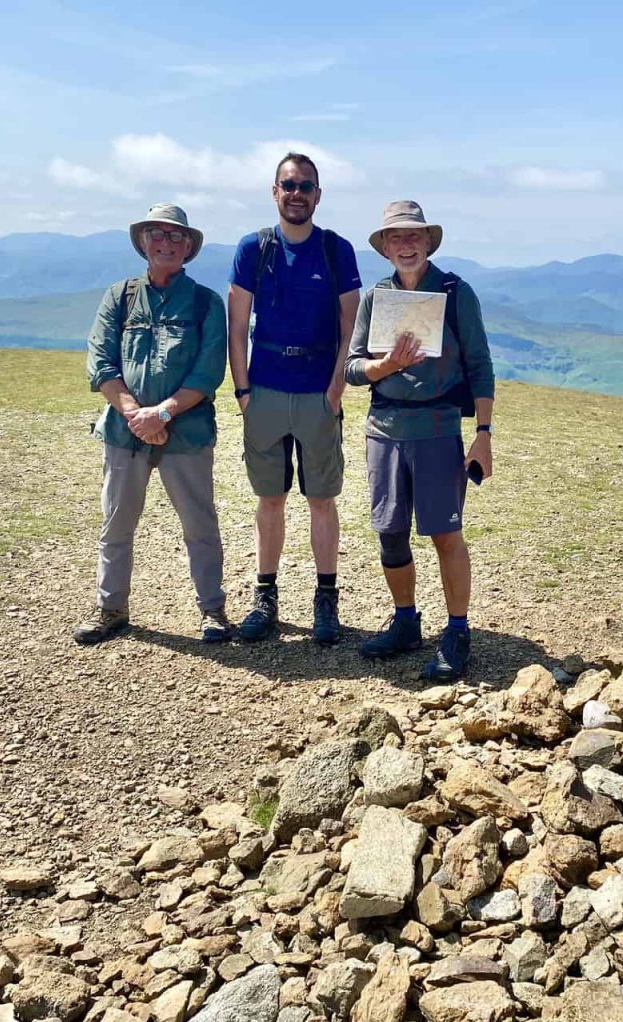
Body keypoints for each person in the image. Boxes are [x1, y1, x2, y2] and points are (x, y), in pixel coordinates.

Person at [344, 201, 495, 681]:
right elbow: (351, 369)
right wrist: (383, 367)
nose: (406, 245)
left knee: (445, 533)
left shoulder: (454, 292)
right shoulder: (376, 297)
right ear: (385, 247)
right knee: (390, 531)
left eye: (414, 237)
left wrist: (484, 435)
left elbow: (480, 365)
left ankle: (457, 630)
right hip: (384, 430)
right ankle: (406, 621)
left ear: (428, 242)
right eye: (395, 238)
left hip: (437, 429)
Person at [74, 203, 230, 645]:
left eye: (176, 237)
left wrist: (161, 413)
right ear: (143, 242)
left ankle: (213, 611)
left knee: (200, 524)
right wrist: (136, 415)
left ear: (188, 248)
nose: (166, 243)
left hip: (187, 431)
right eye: (157, 234)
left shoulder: (205, 303)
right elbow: (100, 363)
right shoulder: (119, 297)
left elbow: (207, 371)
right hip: (125, 432)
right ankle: (111, 608)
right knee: (117, 523)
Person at [226, 153, 362, 645]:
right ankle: (266, 597)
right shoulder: (253, 248)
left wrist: (335, 389)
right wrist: (243, 391)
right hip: (263, 388)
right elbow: (236, 324)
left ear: (318, 195)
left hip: (318, 392)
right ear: (275, 191)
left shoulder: (336, 250)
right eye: (289, 184)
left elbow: (352, 324)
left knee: (321, 498)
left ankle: (326, 602)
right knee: (270, 498)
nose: (297, 193)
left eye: (306, 185)